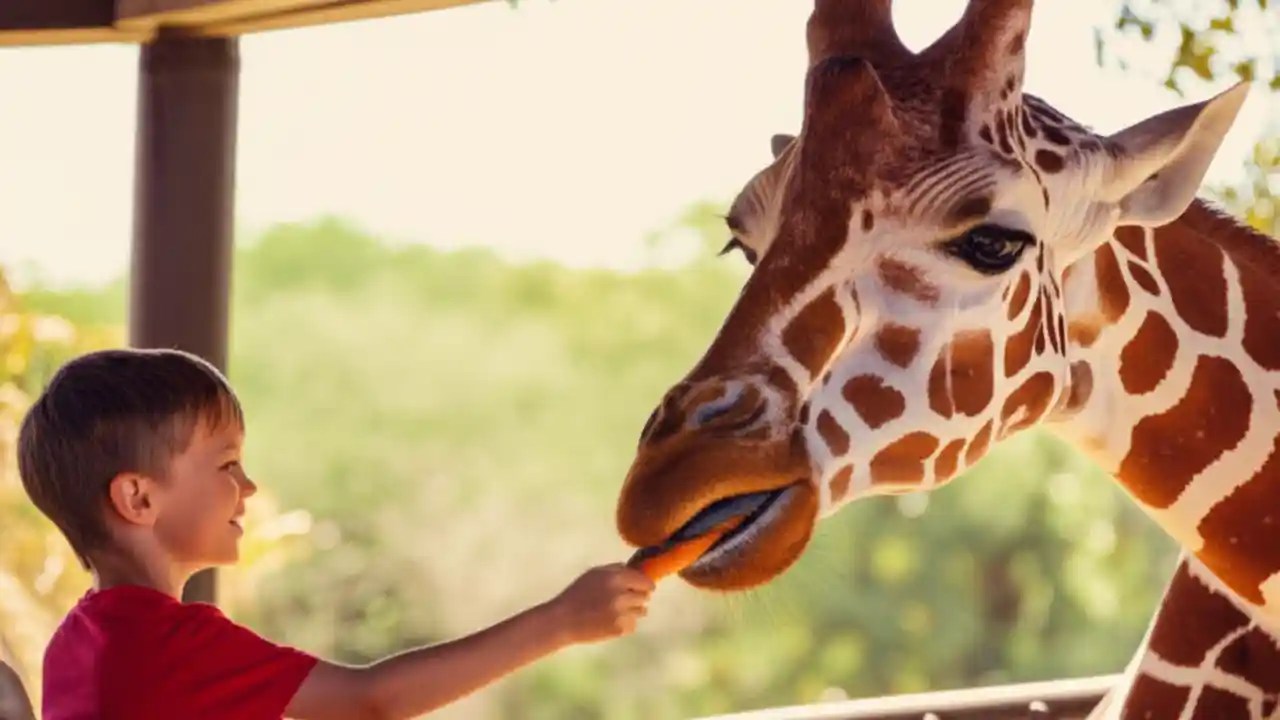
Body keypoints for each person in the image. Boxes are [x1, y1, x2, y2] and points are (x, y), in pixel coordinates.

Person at [17, 348, 654, 720]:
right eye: (226, 464)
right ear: (139, 497)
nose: (249, 486)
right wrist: (562, 621)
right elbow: (373, 699)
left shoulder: (79, 641)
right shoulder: (166, 642)